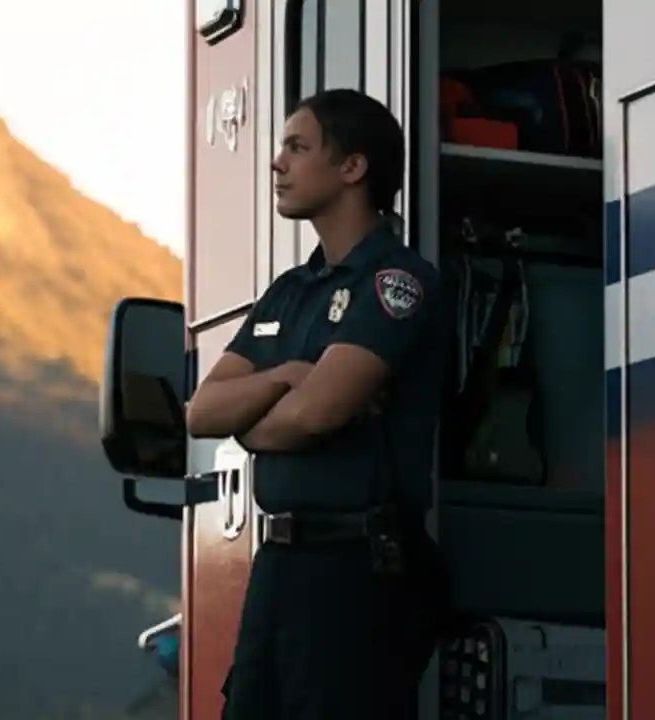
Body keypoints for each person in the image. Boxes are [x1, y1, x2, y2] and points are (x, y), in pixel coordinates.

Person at [185, 88, 452, 719]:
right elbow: (200, 412)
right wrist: (287, 377)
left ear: (352, 168)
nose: (277, 163)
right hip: (279, 567)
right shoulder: (290, 291)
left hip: (357, 573)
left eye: (297, 147)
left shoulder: (397, 283)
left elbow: (319, 414)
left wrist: (254, 417)